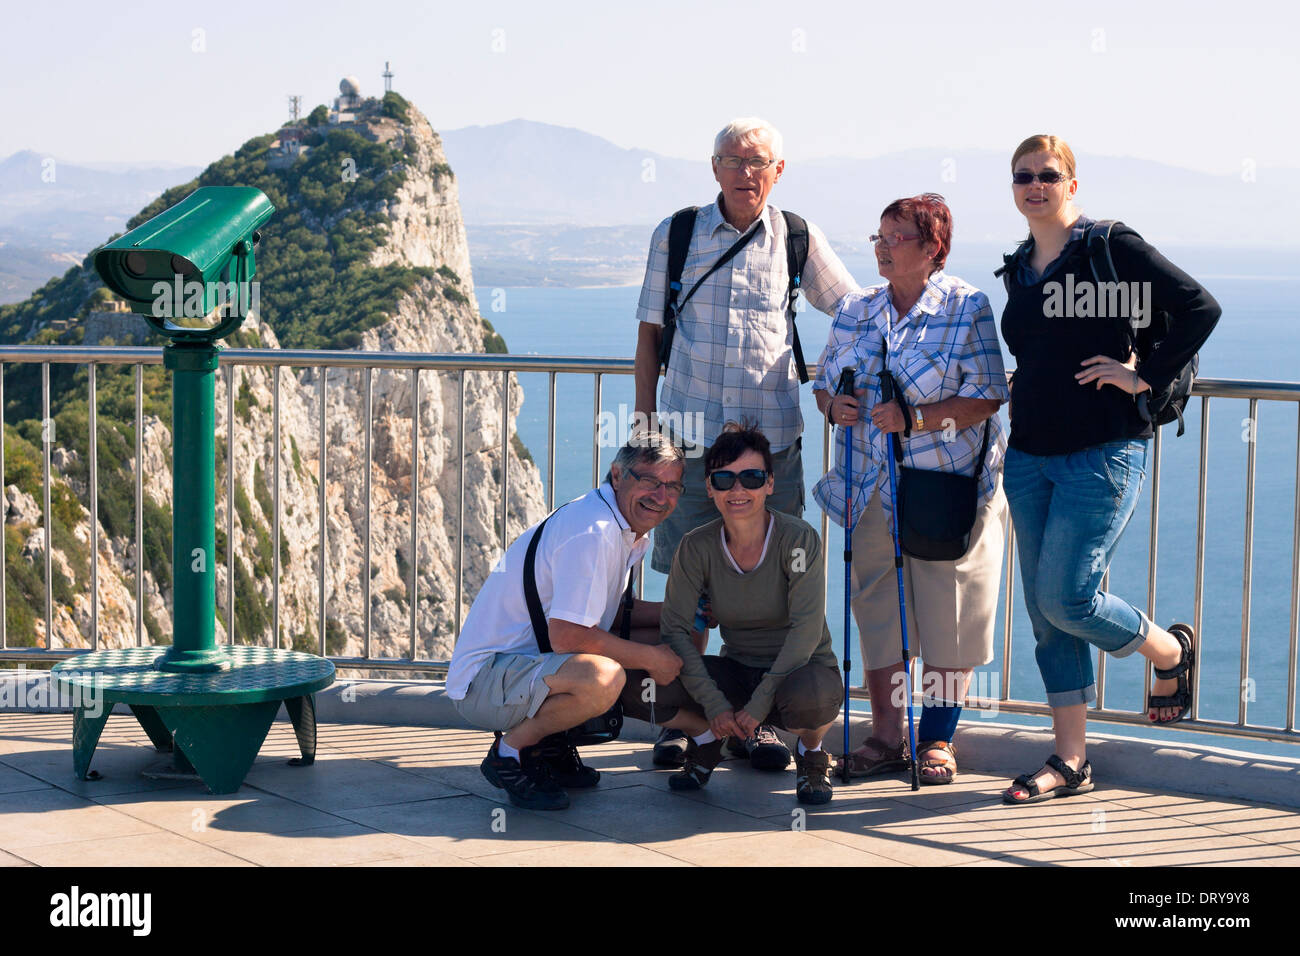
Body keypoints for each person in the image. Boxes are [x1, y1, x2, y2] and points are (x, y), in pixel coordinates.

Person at [997, 135, 1219, 804]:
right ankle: (1069, 761)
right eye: (1023, 176)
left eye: (1048, 174)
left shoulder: (1109, 248)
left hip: (1102, 453)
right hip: (1029, 456)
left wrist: (1141, 375)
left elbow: (1199, 306)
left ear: (1071, 183)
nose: (1035, 185)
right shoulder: (1019, 267)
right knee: (1044, 614)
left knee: (1068, 598)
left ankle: (1169, 653)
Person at [633, 117, 857, 770]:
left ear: (778, 171)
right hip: (688, 446)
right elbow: (650, 335)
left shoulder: (797, 238)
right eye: (732, 159)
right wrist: (645, 427)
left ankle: (759, 720)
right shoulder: (677, 234)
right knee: (687, 589)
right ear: (713, 167)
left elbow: (852, 311)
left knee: (774, 588)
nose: (745, 171)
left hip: (769, 455)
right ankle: (689, 722)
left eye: (757, 160)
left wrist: (843, 382)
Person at [815, 193, 1009, 785]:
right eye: (878, 236)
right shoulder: (855, 308)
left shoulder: (965, 306)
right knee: (879, 612)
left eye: (895, 237)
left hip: (942, 489)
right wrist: (835, 406)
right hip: (870, 486)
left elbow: (989, 394)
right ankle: (884, 739)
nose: (881, 247)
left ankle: (938, 741)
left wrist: (917, 420)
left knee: (947, 612)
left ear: (932, 249)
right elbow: (824, 384)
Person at [445, 431, 687, 810]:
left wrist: (690, 612)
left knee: (668, 631)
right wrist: (651, 659)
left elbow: (616, 616)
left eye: (672, 485)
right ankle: (511, 754)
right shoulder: (595, 532)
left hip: (525, 665)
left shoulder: (617, 524)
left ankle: (550, 747)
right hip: (486, 682)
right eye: (650, 480)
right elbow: (567, 635)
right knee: (603, 678)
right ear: (618, 475)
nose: (661, 496)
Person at [618, 424, 844, 804]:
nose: (738, 490)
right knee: (636, 683)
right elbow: (674, 630)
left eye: (752, 478)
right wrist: (715, 706)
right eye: (724, 479)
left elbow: (806, 631)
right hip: (738, 669)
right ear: (709, 488)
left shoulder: (799, 539)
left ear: (770, 484)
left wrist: (757, 707)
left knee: (815, 697)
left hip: (799, 671)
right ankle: (706, 741)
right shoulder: (695, 546)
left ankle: (810, 752)